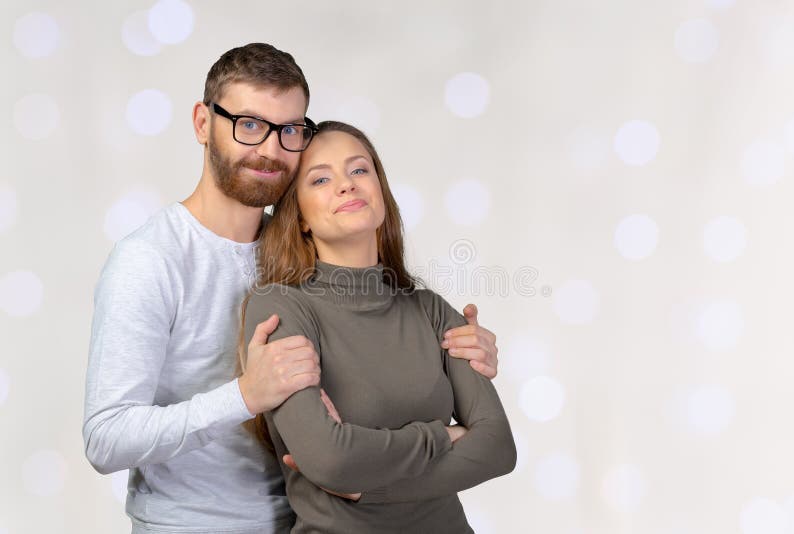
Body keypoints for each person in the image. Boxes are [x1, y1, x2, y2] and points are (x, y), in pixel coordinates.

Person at [83, 43, 501, 534]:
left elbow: (375, 370)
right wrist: (244, 395)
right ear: (202, 123)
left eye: (289, 131)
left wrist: (456, 355)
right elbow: (106, 438)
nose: (270, 149)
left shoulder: (309, 252)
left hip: (310, 518)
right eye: (250, 124)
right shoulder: (150, 259)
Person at [241, 121, 516, 533]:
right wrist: (440, 437)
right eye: (320, 179)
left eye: (359, 170)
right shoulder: (280, 307)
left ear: (380, 192)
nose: (346, 185)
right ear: (299, 217)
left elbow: (498, 448)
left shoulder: (431, 311)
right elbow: (330, 459)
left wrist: (368, 489)